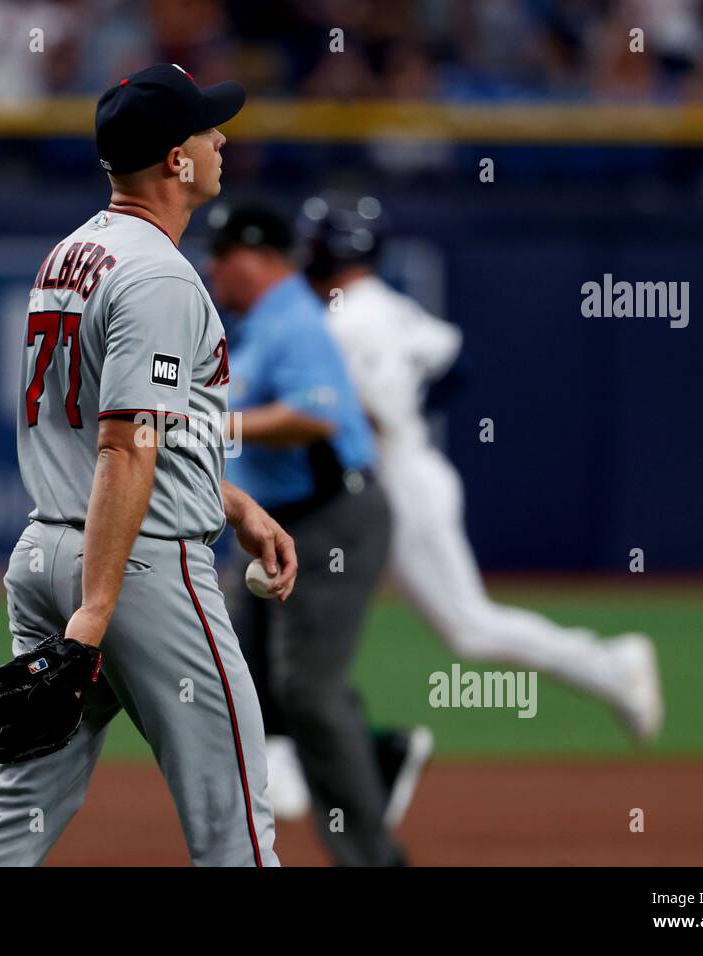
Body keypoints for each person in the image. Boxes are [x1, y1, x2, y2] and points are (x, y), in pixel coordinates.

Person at [0, 64, 297, 867]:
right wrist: (98, 613)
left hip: (45, 554)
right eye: (208, 130)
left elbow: (124, 434)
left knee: (21, 811)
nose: (220, 140)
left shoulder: (71, 254)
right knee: (235, 825)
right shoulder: (161, 276)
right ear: (176, 161)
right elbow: (126, 446)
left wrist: (235, 504)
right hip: (138, 569)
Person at [295, 193, 664, 746]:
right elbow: (452, 360)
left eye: (311, 244)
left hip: (398, 485)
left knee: (468, 628)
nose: (303, 255)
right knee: (299, 619)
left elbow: (368, 417)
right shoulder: (385, 305)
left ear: (331, 251)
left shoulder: (352, 320)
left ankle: (609, 666)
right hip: (395, 474)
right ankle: (306, 760)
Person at [206, 204, 425, 867]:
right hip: (281, 521)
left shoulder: (294, 318)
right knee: (233, 671)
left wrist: (220, 427)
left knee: (308, 691)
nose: (213, 269)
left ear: (257, 257)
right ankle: (376, 750)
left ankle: (370, 857)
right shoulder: (256, 325)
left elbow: (315, 416)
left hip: (333, 518)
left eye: (222, 256)